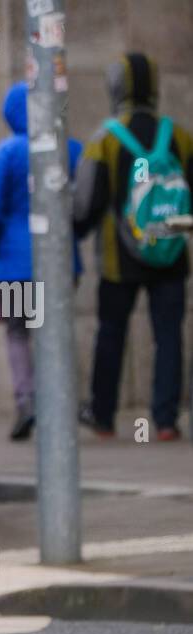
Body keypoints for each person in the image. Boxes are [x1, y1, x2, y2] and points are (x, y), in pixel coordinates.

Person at [75, 52, 193, 441]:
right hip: (171, 253)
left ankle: (104, 417)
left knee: (111, 333)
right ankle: (165, 421)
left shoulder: (106, 139)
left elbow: (86, 203)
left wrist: (75, 232)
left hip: (119, 257)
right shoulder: (178, 136)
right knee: (169, 336)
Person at [0, 81, 82, 441]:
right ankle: (61, 403)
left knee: (18, 333)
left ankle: (27, 401)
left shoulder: (7, 153)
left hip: (15, 264)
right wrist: (72, 240)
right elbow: (86, 204)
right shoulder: (71, 149)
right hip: (61, 260)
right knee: (56, 332)